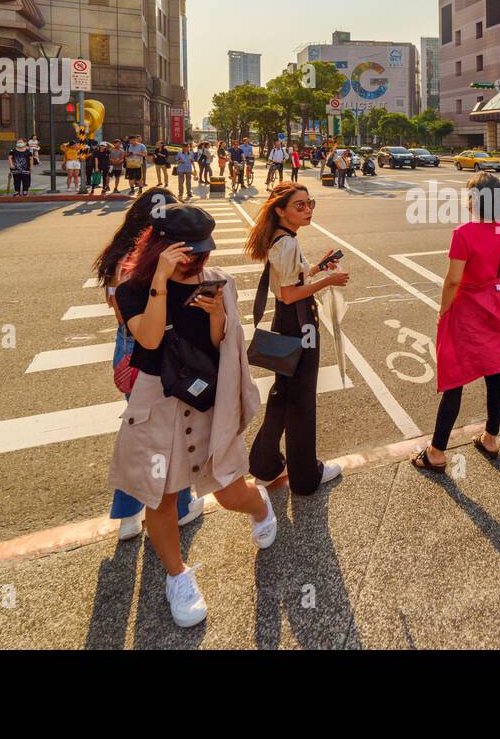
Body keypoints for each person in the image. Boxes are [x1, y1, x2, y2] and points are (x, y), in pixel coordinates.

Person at [112, 204, 276, 627]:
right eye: (186, 254)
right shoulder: (133, 287)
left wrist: (218, 314)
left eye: (200, 254)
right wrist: (162, 282)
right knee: (160, 495)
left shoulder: (218, 281)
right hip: (157, 399)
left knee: (228, 491)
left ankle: (260, 506)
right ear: (161, 248)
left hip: (207, 400)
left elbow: (223, 344)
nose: (195, 263)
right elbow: (147, 338)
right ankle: (178, 576)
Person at [412, 175, 500, 470]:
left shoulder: (464, 233)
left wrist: (443, 311)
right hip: (498, 306)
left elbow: (454, 280)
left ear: (474, 201)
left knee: (455, 380)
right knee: (495, 374)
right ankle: (490, 437)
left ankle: (437, 451)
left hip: (468, 311)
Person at [94, 187, 200, 541]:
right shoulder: (154, 261)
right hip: (154, 352)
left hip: (125, 350)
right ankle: (181, 507)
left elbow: (120, 314)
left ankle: (127, 518)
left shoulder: (117, 258)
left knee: (138, 435)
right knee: (172, 434)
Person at [245, 182, 349, 495]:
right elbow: (290, 294)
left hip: (288, 321)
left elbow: (292, 279)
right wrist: (329, 279)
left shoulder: (281, 238)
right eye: (299, 206)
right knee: (301, 401)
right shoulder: (286, 243)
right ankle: (305, 477)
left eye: (310, 203)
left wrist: (318, 267)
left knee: (283, 395)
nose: (308, 210)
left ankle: (265, 466)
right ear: (280, 211)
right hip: (300, 323)